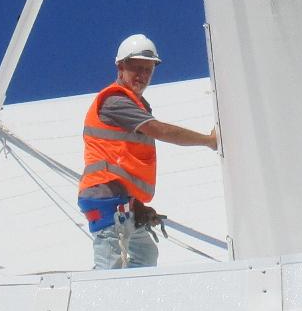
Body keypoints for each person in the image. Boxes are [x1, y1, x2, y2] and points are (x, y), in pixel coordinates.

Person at [78, 34, 218, 269]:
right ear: (120, 67)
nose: (142, 76)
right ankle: (99, 299)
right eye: (136, 69)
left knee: (145, 254)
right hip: (104, 197)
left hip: (120, 200)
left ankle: (125, 299)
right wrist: (208, 140)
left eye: (148, 70)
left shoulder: (135, 104)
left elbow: (122, 161)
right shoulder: (115, 101)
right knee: (109, 262)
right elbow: (160, 130)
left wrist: (137, 206)